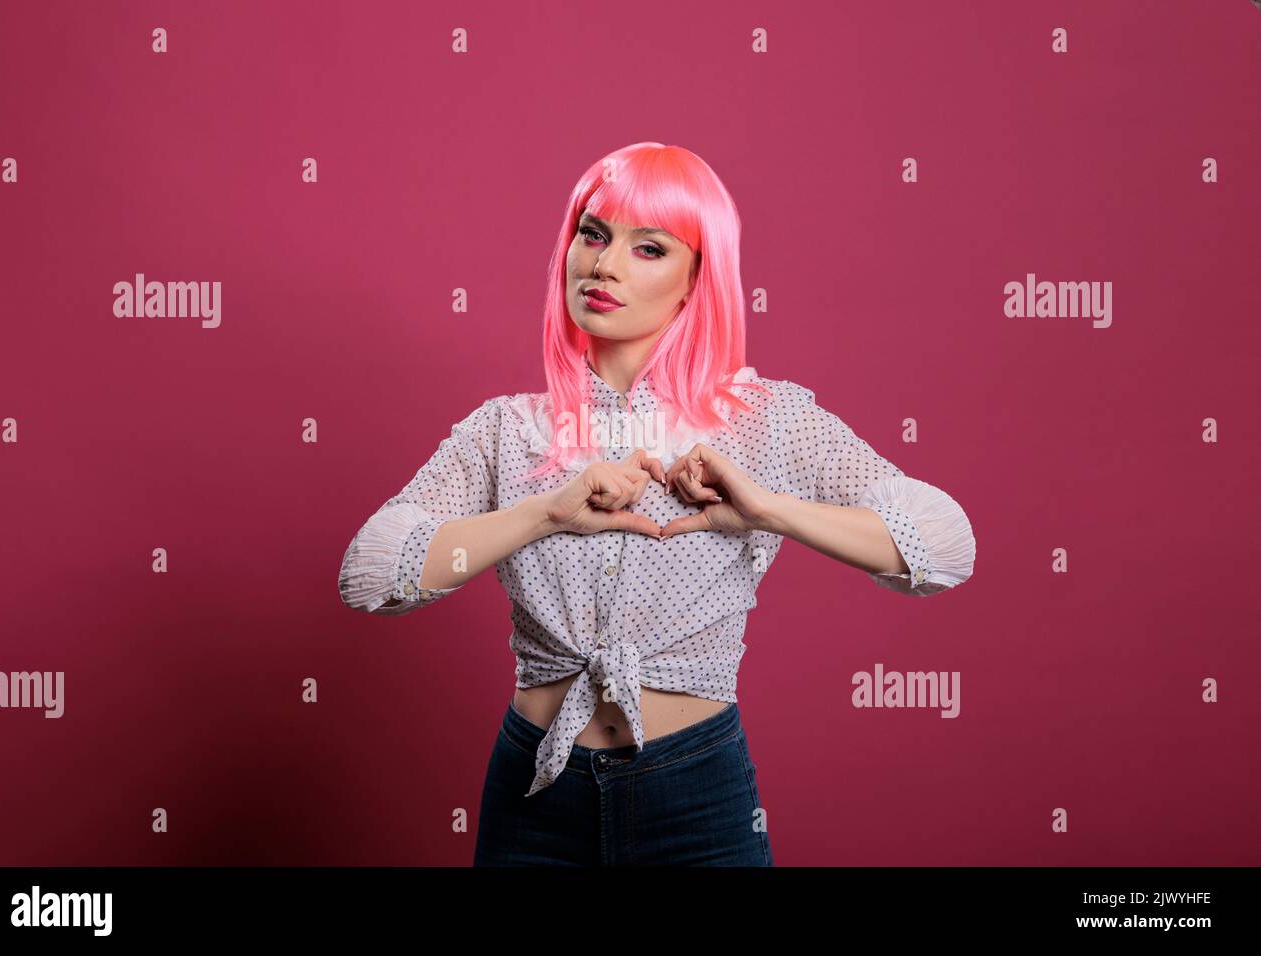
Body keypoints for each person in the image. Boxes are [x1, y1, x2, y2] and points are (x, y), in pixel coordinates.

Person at [337, 142, 976, 866]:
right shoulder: (507, 430)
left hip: (696, 794)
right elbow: (368, 577)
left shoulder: (765, 420)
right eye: (593, 234)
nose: (604, 265)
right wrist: (547, 512)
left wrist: (767, 510)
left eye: (648, 248)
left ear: (695, 281)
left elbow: (944, 549)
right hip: (532, 794)